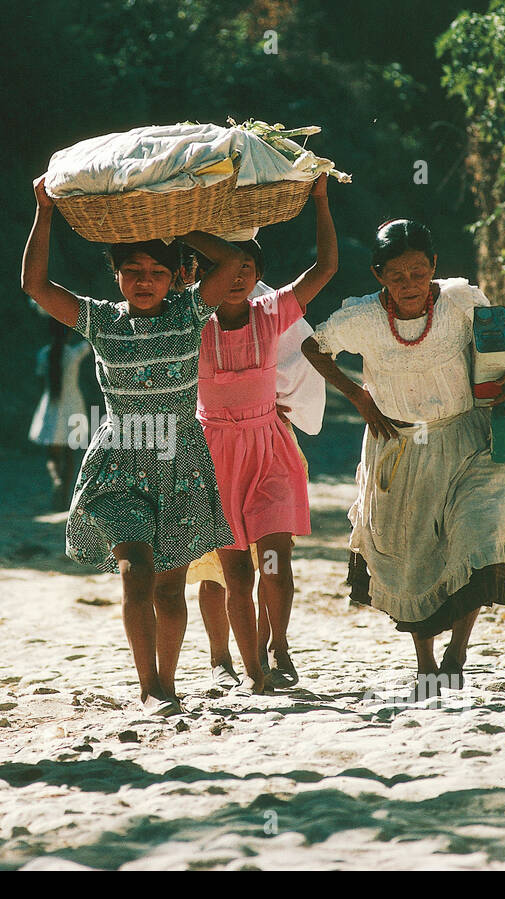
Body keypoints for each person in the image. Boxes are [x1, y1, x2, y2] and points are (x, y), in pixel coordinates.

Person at [21, 175, 244, 714]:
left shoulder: (190, 314)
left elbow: (234, 265)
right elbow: (35, 286)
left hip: (180, 464)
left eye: (157, 272)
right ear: (116, 274)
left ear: (174, 277)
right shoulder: (100, 320)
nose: (144, 281)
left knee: (170, 591)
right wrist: (44, 212)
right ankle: (148, 687)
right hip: (120, 460)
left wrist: (179, 223)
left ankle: (167, 681)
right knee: (135, 573)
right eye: (133, 271)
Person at [302, 219, 505, 697]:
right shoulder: (361, 318)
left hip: (469, 440)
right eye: (397, 275)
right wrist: (358, 397)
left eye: (419, 272)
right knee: (413, 557)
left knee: (477, 537)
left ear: (434, 268)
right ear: (379, 274)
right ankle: (426, 662)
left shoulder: (460, 301)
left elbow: (502, 337)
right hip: (400, 448)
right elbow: (313, 346)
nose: (409, 284)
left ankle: (457, 653)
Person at [194, 178, 337, 692]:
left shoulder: (272, 311)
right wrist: (186, 226)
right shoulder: (188, 322)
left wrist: (319, 200)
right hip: (214, 460)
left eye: (246, 268)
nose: (236, 278)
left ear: (257, 274)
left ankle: (278, 644)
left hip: (269, 451)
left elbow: (325, 269)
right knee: (235, 576)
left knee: (274, 564)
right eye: (224, 270)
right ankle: (253, 670)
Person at [28, 314, 92, 511]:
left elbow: (40, 381)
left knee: (52, 456)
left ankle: (56, 479)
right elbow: (89, 342)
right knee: (71, 456)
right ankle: (65, 496)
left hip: (51, 406)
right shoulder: (73, 354)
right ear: (68, 334)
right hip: (74, 407)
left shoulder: (44, 354)